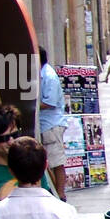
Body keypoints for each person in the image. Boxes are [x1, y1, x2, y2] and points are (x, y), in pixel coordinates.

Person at [37, 46, 68, 200]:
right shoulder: (40, 74)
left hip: (51, 124)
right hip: (45, 124)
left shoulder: (48, 76)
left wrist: (31, 105)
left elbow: (50, 102)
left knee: (56, 161)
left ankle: (60, 194)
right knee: (49, 162)